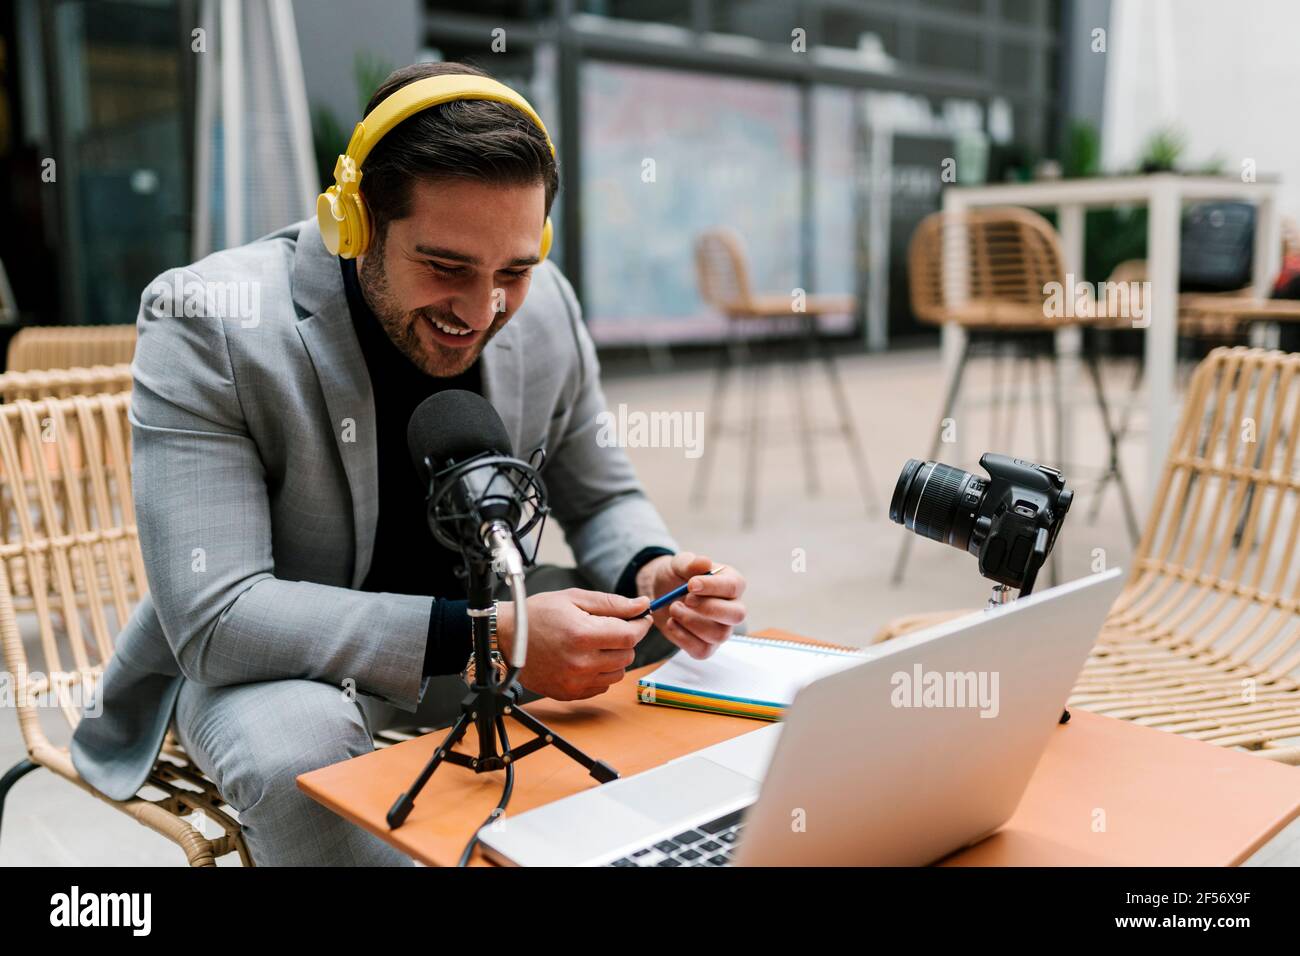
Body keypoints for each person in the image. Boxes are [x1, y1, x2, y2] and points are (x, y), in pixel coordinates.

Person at [71, 60, 747, 866]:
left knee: (694, 670)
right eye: (447, 267)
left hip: (482, 634)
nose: (481, 311)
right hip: (276, 669)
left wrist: (651, 572)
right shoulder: (209, 321)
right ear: (353, 222)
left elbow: (602, 500)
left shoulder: (548, 307)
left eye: (514, 271)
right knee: (298, 752)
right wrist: (489, 639)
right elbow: (219, 617)